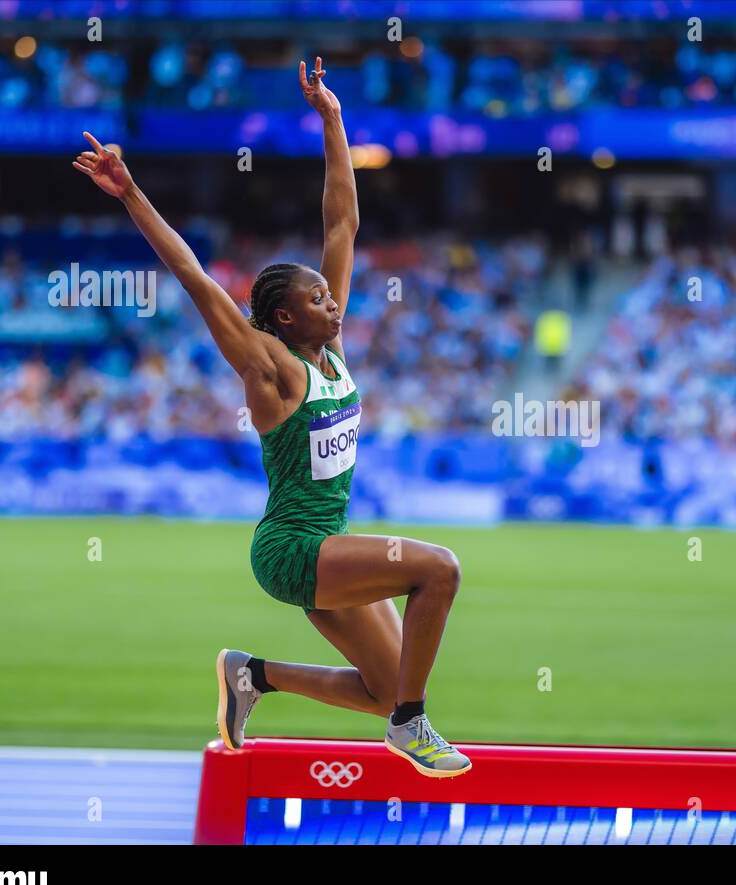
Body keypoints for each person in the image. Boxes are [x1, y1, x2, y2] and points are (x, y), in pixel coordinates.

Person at [71, 58, 470, 778]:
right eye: (319, 299)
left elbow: (342, 220)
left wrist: (333, 119)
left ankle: (252, 676)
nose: (335, 303)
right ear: (285, 316)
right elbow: (195, 275)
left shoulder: (332, 347)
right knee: (439, 570)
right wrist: (129, 193)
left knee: (383, 686)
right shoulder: (272, 371)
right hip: (292, 550)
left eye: (330, 295)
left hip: (329, 545)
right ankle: (412, 728)